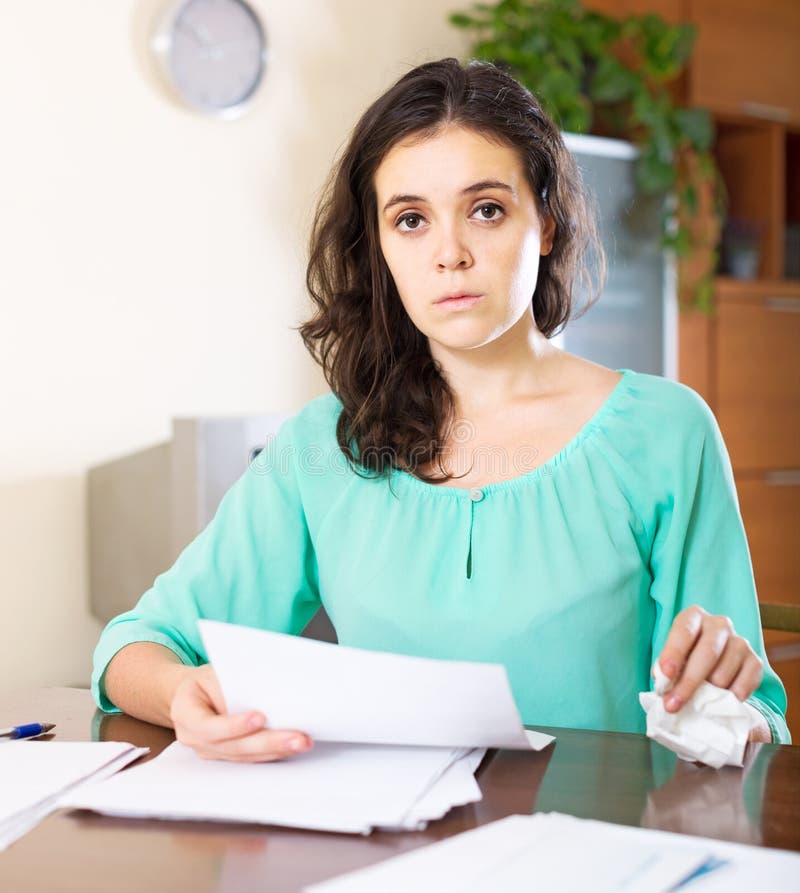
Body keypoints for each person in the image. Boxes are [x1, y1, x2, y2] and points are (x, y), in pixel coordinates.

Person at [93, 58, 789, 761]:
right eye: (411, 220)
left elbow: (750, 716)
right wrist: (182, 693)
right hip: (385, 853)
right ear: (380, 248)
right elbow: (136, 645)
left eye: (486, 209)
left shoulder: (667, 433)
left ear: (544, 222)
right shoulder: (325, 445)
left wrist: (732, 709)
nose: (449, 253)